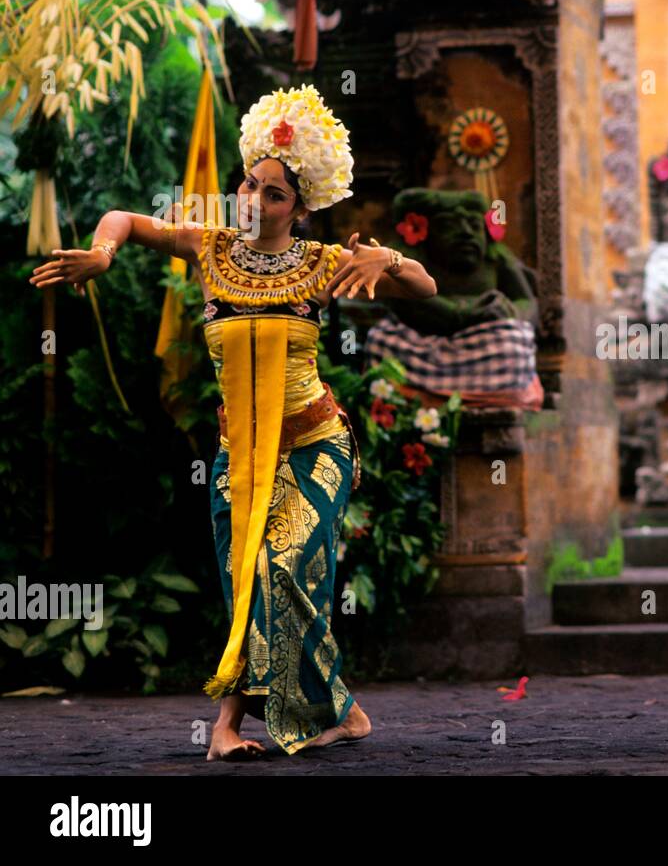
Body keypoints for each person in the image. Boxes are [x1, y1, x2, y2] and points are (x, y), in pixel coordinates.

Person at [29, 84, 440, 760]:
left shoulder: (320, 264)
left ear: (300, 207)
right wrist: (102, 254)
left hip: (313, 443)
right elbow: (123, 217)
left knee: (285, 562)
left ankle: (329, 708)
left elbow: (425, 287)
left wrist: (389, 259)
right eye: (250, 185)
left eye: (273, 193)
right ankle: (234, 726)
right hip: (240, 450)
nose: (253, 200)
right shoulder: (208, 249)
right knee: (244, 577)